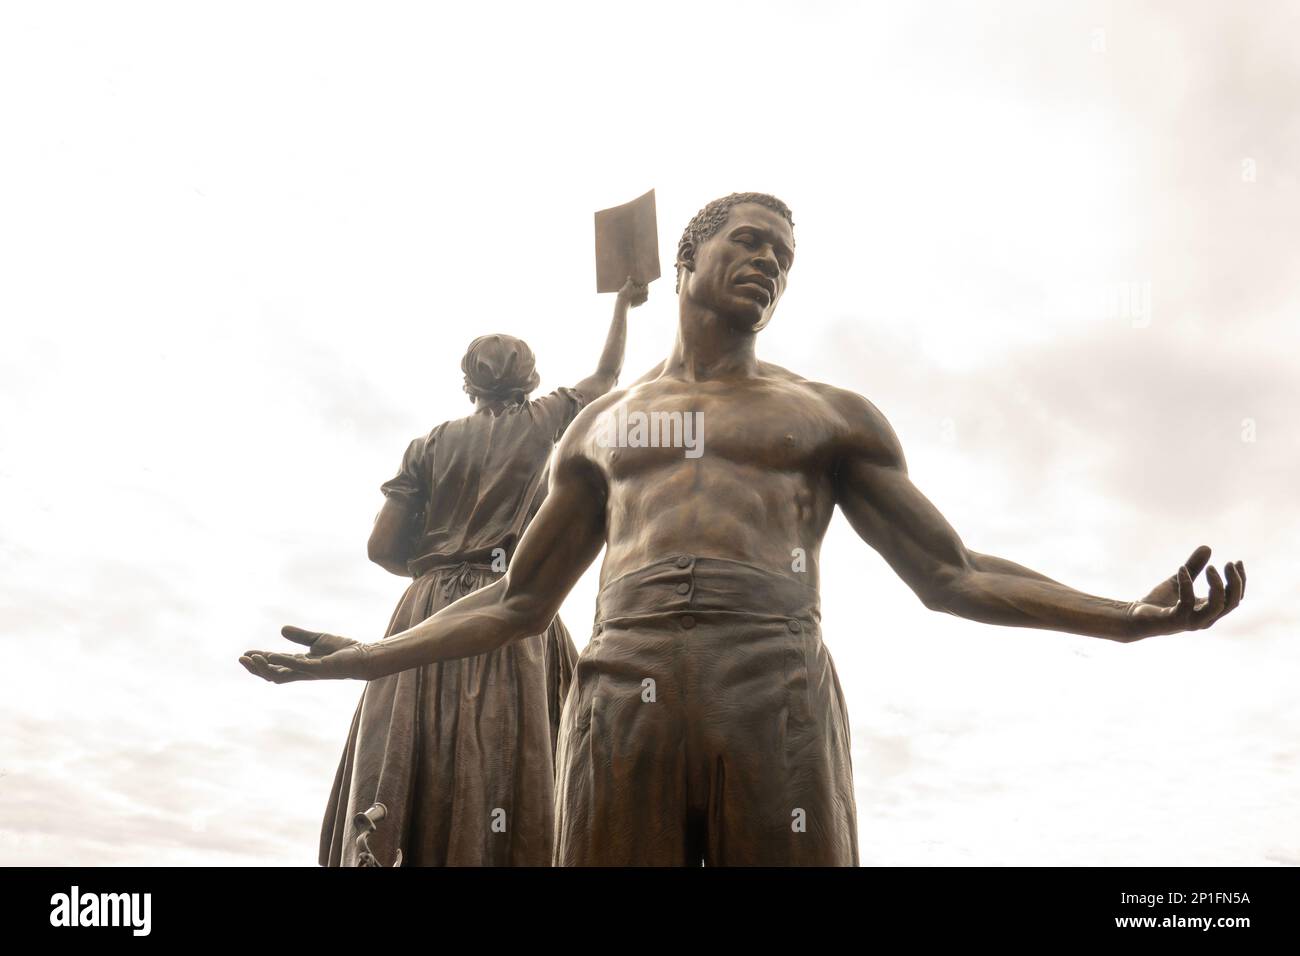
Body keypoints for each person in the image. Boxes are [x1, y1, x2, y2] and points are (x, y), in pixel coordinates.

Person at [243, 193, 1246, 866]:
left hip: (773, 686)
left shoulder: (826, 414)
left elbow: (951, 571)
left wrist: (1122, 615)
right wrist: (371, 658)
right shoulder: (601, 424)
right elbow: (518, 601)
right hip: (620, 689)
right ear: (687, 261)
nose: (767, 262)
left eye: (783, 255)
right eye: (747, 242)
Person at [248, 277, 647, 866]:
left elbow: (381, 547)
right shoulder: (548, 420)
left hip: (428, 606)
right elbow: (607, 377)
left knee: (409, 753)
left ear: (466, 384)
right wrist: (623, 303)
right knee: (514, 761)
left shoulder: (430, 445)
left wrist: (438, 566)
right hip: (512, 600)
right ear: (531, 379)